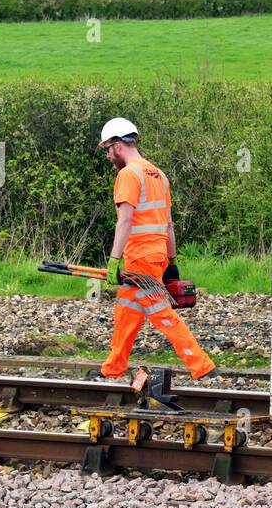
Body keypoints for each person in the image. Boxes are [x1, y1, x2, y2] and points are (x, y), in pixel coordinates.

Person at [92, 117, 217, 381]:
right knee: (126, 310)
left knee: (162, 314)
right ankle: (112, 369)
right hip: (157, 254)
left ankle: (202, 365)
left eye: (106, 149)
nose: (106, 155)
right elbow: (169, 223)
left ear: (117, 144)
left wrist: (114, 261)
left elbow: (125, 221)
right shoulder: (159, 174)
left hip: (140, 258)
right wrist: (172, 261)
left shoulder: (127, 175)